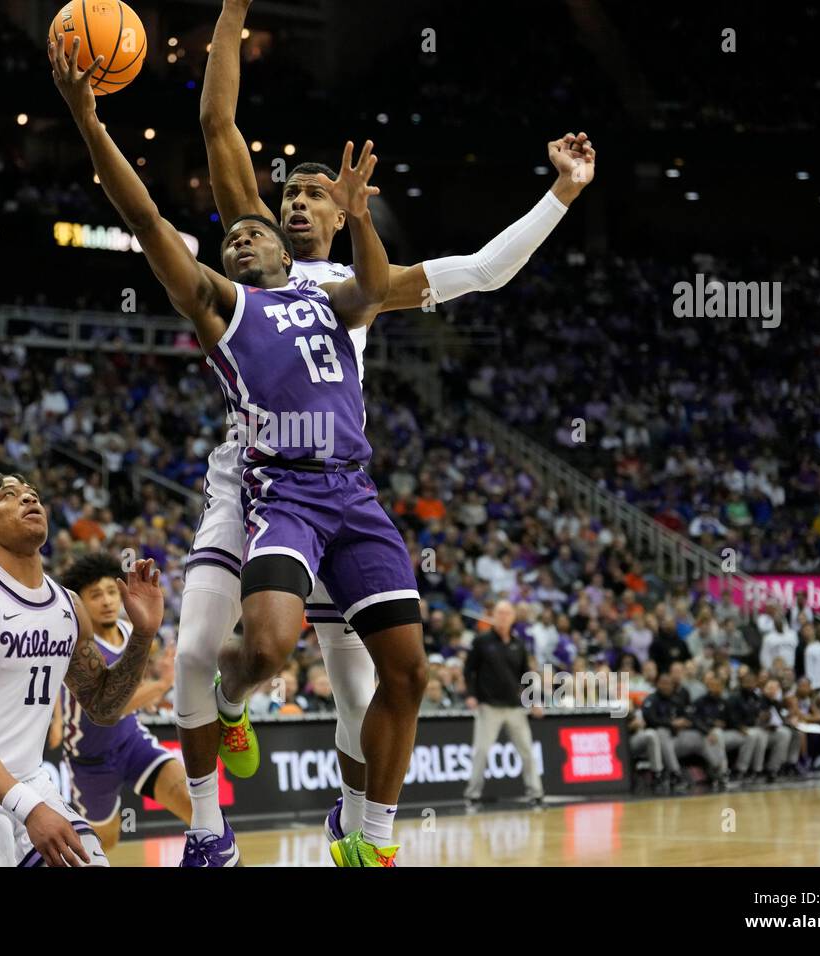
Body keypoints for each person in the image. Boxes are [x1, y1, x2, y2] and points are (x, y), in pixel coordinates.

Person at [176, 0, 595, 860]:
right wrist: (231, 13)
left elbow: (482, 270)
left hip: (339, 479)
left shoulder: (363, 280)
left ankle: (356, 826)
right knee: (213, 651)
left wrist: (560, 193)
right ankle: (214, 799)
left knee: (367, 682)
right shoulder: (252, 254)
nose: (293, 203)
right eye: (286, 192)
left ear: (342, 214)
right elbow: (218, 121)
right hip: (254, 469)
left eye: (313, 195)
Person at [50, 39, 433, 869]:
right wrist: (88, 123)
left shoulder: (331, 293)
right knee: (249, 650)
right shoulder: (225, 303)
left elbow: (379, 286)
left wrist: (362, 217)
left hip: (351, 486)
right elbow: (154, 210)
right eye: (233, 235)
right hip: (267, 484)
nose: (244, 238)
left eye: (260, 230)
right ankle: (216, 793)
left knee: (387, 678)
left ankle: (369, 839)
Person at [0, 475, 164, 867]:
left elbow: (103, 706)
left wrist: (142, 635)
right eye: (9, 496)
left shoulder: (70, 606)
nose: (27, 497)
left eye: (32, 494)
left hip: (30, 781)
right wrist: (29, 809)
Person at [48, 552, 191, 851]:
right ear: (80, 603)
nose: (107, 601)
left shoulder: (130, 631)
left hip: (132, 742)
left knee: (197, 807)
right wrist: (163, 684)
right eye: (95, 595)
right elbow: (111, 707)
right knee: (104, 844)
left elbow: (130, 692)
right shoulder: (76, 645)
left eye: (112, 592)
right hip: (89, 761)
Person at [462, 600, 544, 807]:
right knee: (481, 751)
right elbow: (468, 669)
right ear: (493, 616)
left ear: (513, 618)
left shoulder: (518, 644)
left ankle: (536, 794)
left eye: (507, 613)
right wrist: (471, 694)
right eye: (500, 613)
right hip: (489, 707)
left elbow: (526, 675)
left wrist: (534, 701)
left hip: (515, 707)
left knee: (527, 751)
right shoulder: (482, 642)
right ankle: (473, 795)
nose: (503, 617)